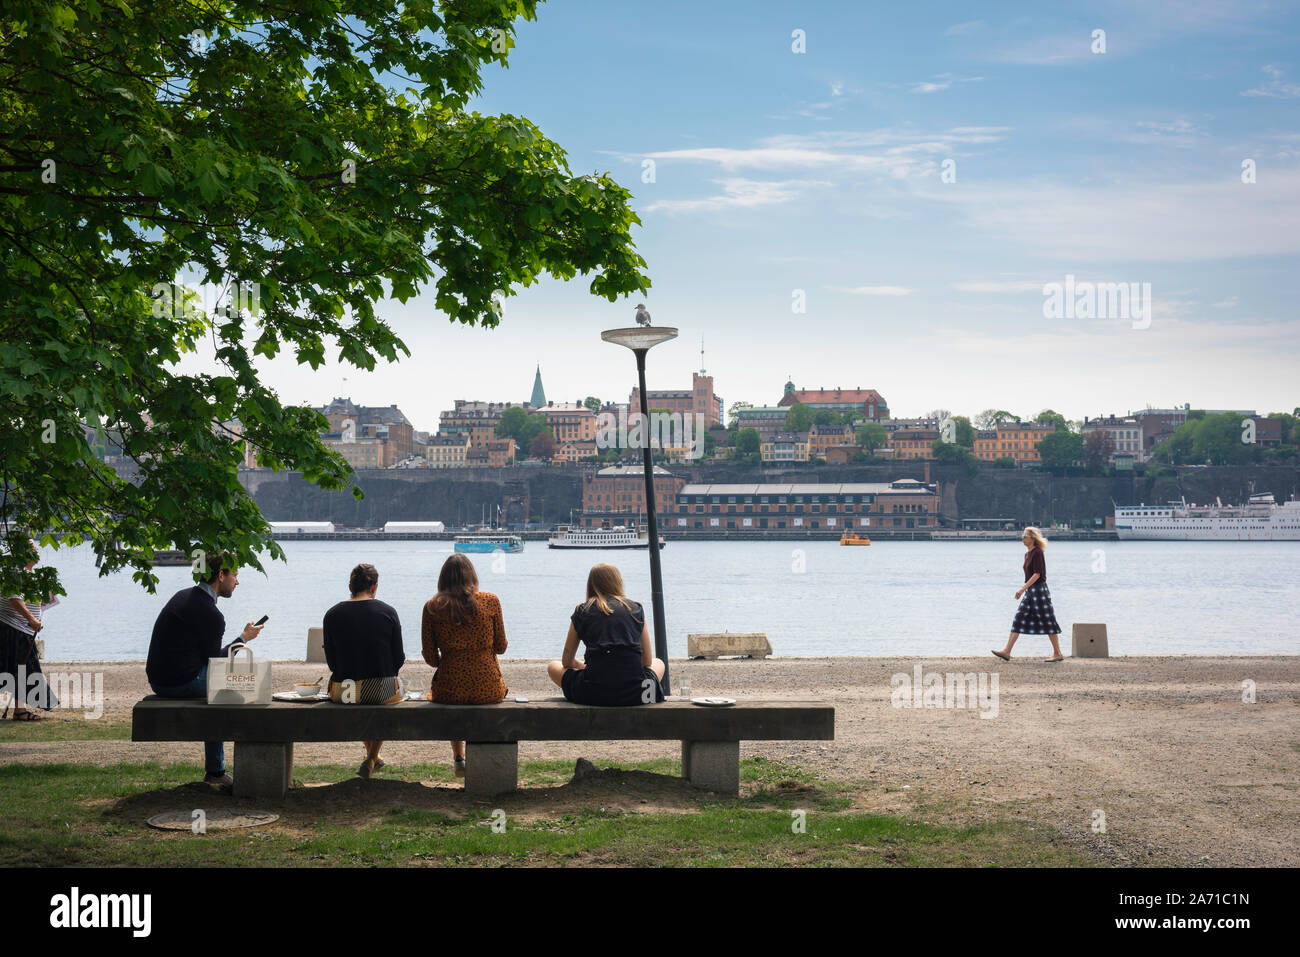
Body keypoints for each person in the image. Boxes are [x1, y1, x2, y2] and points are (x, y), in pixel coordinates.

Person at [146, 553, 265, 790]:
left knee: (225, 689)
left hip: (159, 677)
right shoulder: (211, 614)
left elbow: (207, 660)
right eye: (236, 576)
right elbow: (217, 665)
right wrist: (243, 639)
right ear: (221, 576)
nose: (237, 582)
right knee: (246, 691)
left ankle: (217, 769)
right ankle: (220, 771)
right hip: (179, 681)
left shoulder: (183, 596)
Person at [421, 553, 508, 778]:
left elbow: (431, 658)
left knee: (455, 686)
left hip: (449, 690)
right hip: (489, 689)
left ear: (443, 580)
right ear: (473, 576)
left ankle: (459, 756)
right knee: (483, 673)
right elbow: (500, 647)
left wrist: (451, 661)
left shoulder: (431, 607)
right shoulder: (491, 601)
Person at [323, 563, 405, 779]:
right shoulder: (388, 612)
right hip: (381, 689)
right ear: (375, 587)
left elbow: (332, 662)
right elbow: (399, 658)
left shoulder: (332, 614)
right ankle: (371, 758)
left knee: (359, 695)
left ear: (350, 585)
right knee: (384, 691)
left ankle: (373, 758)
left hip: (344, 691)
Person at [547, 563, 666, 706]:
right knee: (659, 663)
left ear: (591, 585)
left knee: (553, 666)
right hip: (636, 693)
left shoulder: (582, 610)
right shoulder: (635, 608)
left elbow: (566, 662)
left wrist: (584, 666)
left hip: (592, 692)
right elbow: (646, 662)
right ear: (618, 583)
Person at [1, 539, 61, 721]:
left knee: (21, 670)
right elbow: (13, 599)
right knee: (18, 668)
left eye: (36, 548)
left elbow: (44, 601)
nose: (36, 552)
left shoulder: (33, 575)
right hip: (12, 627)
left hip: (24, 630)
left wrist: (48, 591)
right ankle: (20, 711)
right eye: (32, 549)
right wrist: (31, 619)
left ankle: (20, 711)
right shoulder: (15, 572)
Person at [993, 526, 1065, 662]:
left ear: (1032, 538)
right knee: (1019, 618)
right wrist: (1026, 589)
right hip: (1031, 591)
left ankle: (1057, 653)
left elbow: (1037, 574)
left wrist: (1022, 589)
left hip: (1039, 590)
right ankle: (1007, 651)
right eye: (1022, 536)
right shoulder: (1027, 554)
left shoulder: (1038, 552)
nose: (1022, 538)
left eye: (1025, 536)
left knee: (1047, 620)